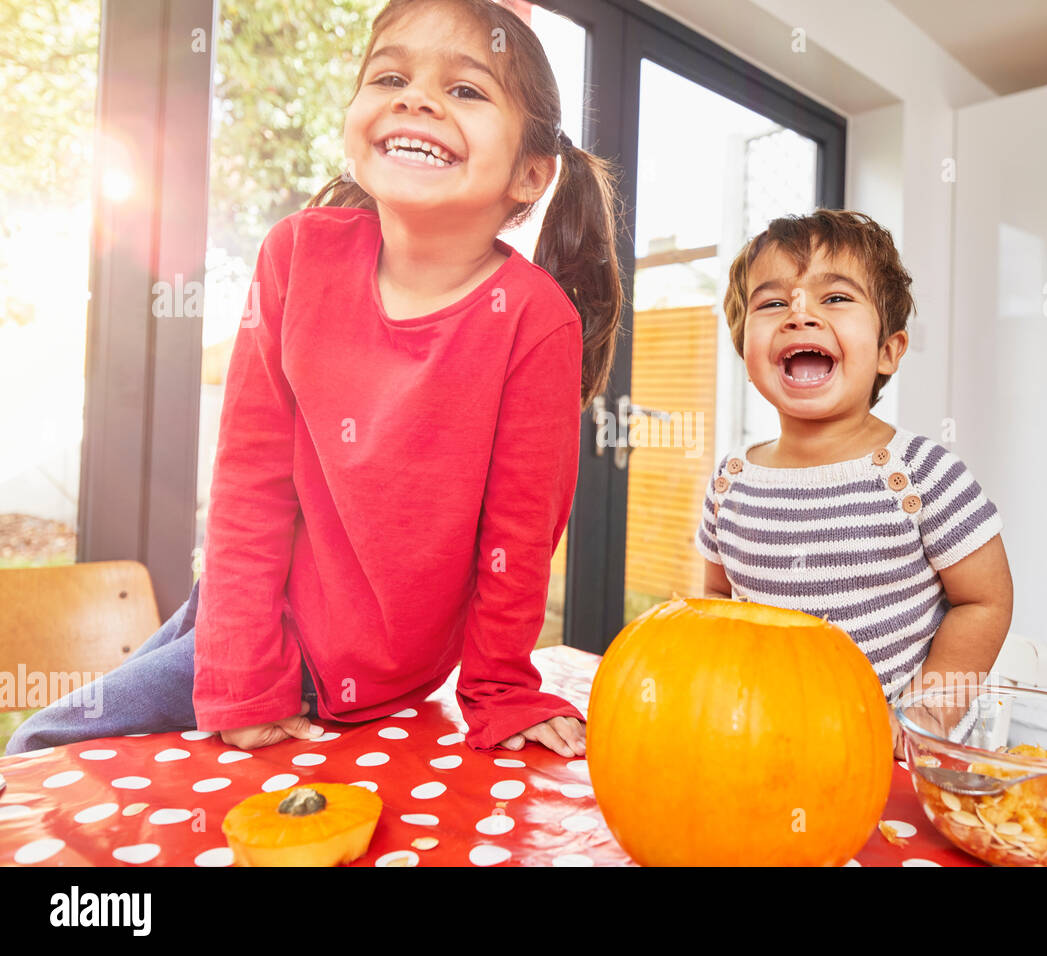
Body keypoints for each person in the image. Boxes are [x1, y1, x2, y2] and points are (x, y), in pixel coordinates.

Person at [6, 0, 621, 757]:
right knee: (40, 746)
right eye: (390, 75)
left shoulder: (536, 320)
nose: (416, 98)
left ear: (531, 174)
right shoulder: (295, 256)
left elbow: (518, 541)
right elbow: (249, 482)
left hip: (380, 668)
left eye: (465, 90)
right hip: (253, 623)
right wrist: (243, 674)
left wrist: (497, 690)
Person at [695, 210, 1014, 758]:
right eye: (772, 304)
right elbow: (717, 600)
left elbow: (984, 601)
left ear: (889, 350)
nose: (800, 317)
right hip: (764, 747)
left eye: (835, 298)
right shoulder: (731, 483)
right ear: (745, 350)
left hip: (891, 762)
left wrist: (926, 715)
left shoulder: (919, 473)